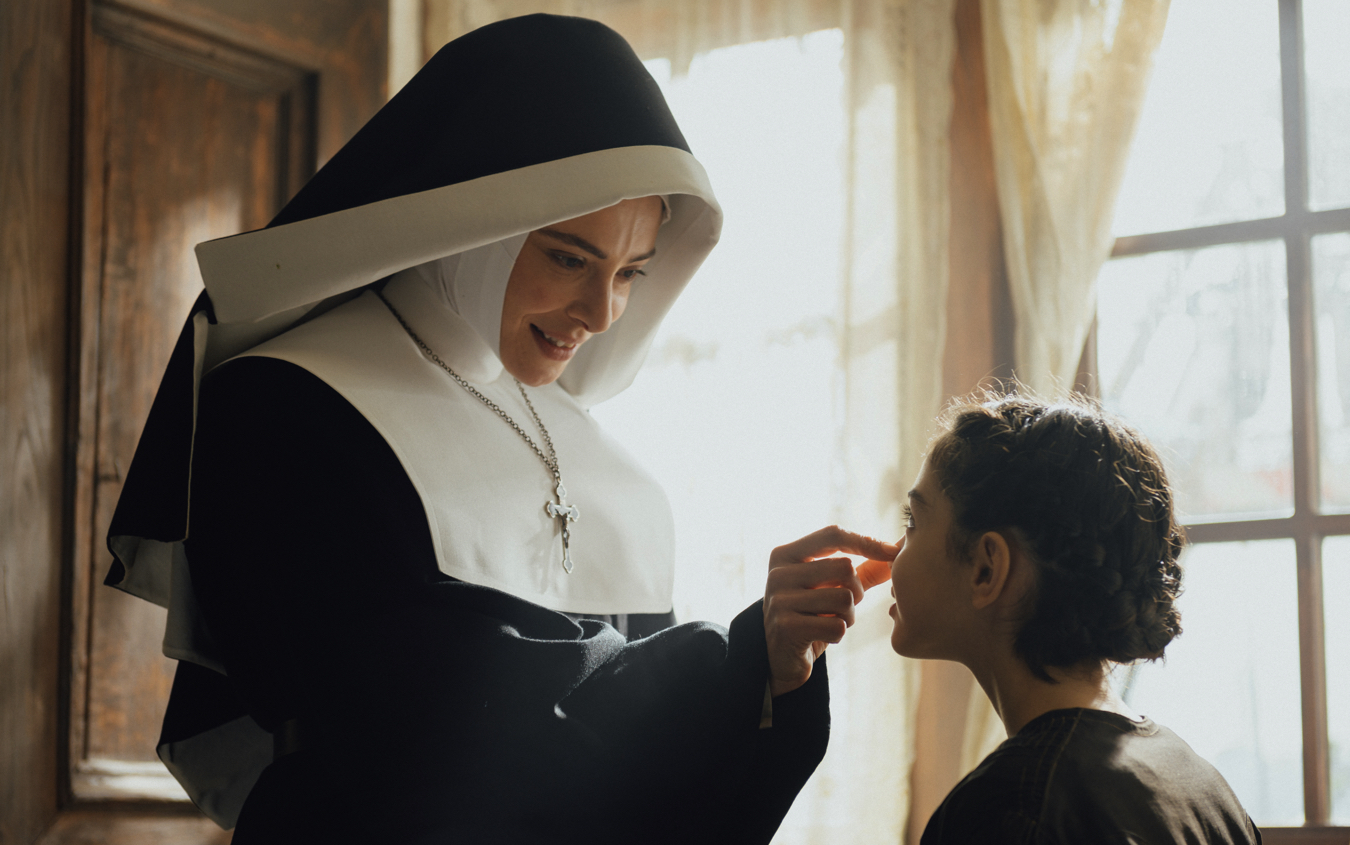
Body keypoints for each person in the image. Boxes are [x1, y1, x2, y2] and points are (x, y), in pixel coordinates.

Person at [103, 14, 896, 844]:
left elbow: (652, 787)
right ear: (473, 219)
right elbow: (426, 727)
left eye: (630, 272)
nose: (602, 312)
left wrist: (775, 666)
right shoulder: (285, 403)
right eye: (569, 257)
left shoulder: (612, 472)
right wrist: (732, 660)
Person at [888, 392, 1261, 844]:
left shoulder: (1010, 811)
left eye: (913, 521)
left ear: (987, 568)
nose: (891, 553)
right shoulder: (1205, 791)